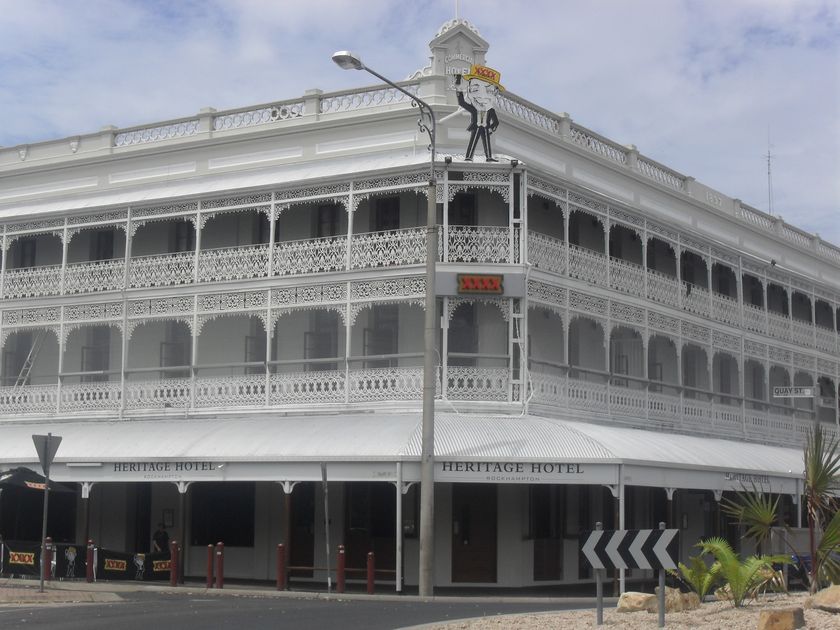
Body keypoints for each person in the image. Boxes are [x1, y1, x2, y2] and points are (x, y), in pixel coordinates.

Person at [455, 64, 504, 162]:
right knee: (473, 140)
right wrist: (458, 89)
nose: (482, 96)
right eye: (475, 89)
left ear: (495, 94)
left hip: (485, 127)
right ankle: (469, 156)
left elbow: (496, 122)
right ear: (469, 91)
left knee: (487, 142)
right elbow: (461, 102)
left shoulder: (491, 110)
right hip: (476, 126)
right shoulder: (474, 109)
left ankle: (489, 157)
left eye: (489, 91)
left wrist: (491, 128)